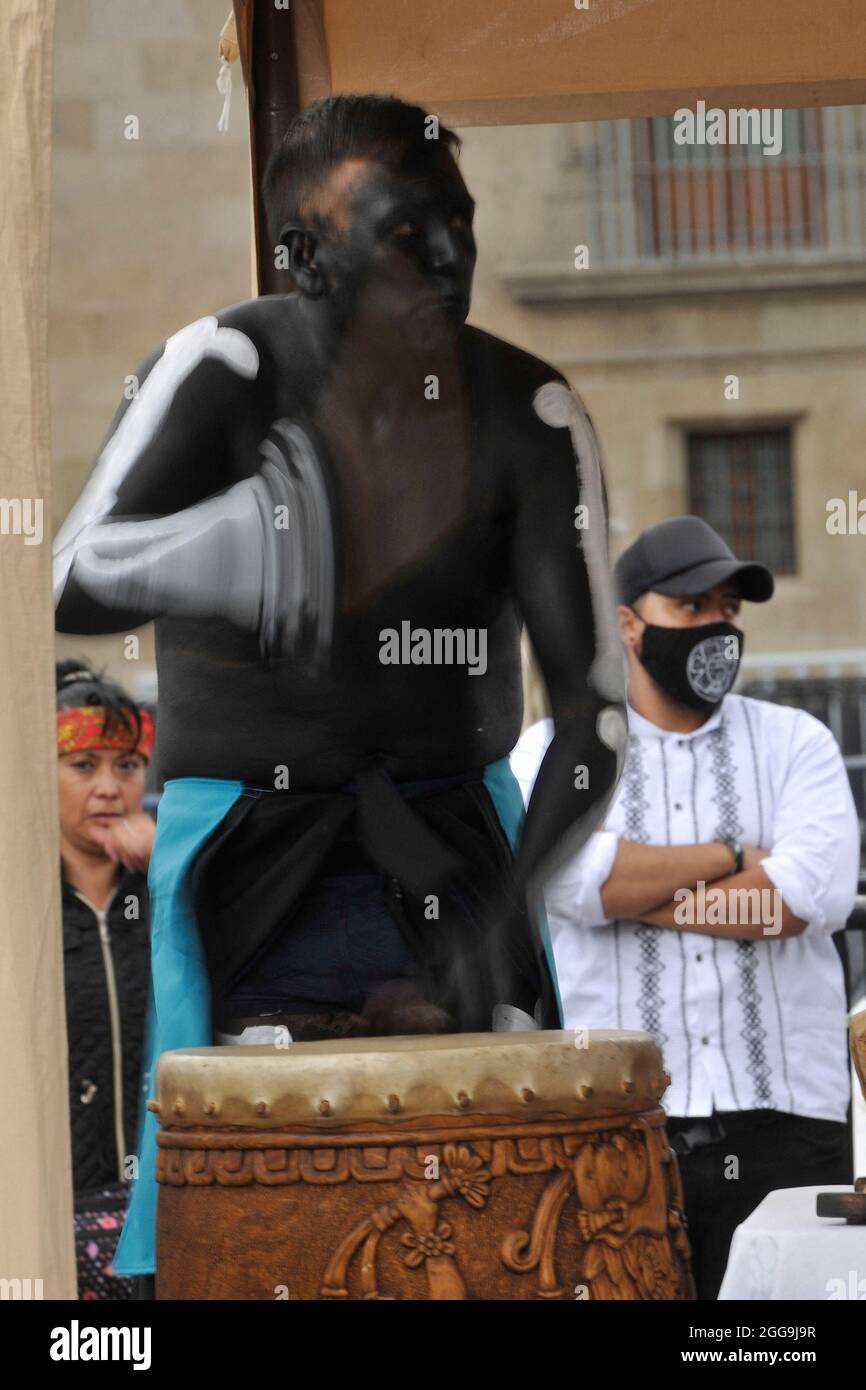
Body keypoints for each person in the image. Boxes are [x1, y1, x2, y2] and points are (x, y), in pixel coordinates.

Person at [53, 94, 625, 1277]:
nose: (451, 256)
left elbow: (594, 715)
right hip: (240, 863)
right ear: (304, 255)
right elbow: (67, 574)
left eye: (458, 223)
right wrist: (235, 543)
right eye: (408, 231)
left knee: (500, 1226)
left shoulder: (532, 413)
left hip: (458, 850)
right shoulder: (218, 366)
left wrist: (508, 903)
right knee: (232, 1223)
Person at [511, 515, 860, 1300]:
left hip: (786, 1125)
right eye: (692, 608)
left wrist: (634, 897)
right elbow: (567, 883)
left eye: (729, 610)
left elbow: (812, 894)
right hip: (612, 1126)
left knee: (779, 1353)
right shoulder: (555, 753)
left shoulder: (796, 742)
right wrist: (736, 856)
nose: (716, 629)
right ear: (628, 625)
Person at [57, 660, 155, 1297]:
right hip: (50, 1210)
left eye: (127, 765)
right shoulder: (18, 906)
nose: (109, 787)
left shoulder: (166, 883)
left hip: (159, 1209)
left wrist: (174, 866)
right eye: (83, 765)